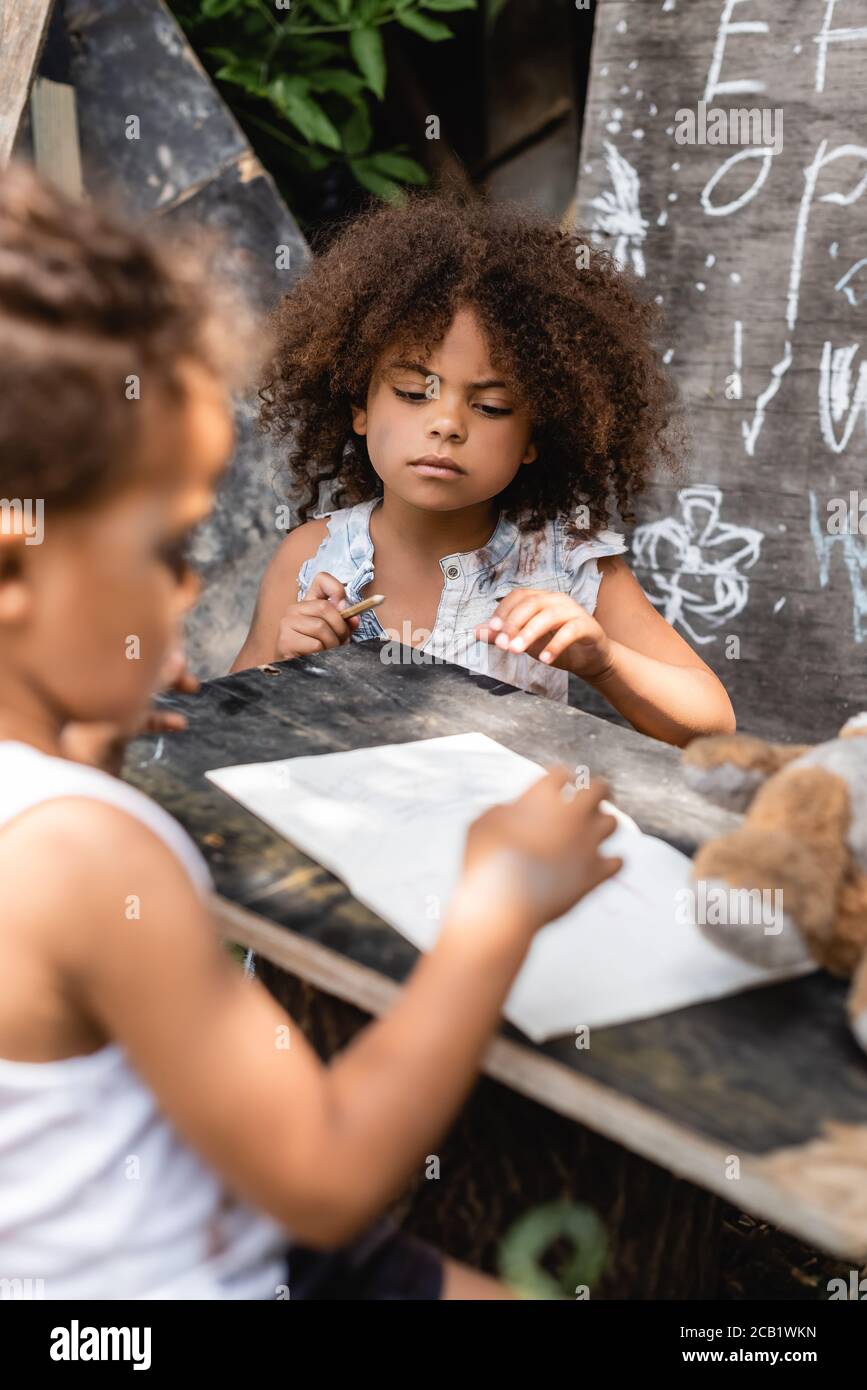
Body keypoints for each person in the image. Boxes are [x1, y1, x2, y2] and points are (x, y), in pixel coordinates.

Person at [0, 165, 622, 1300]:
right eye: (167, 553)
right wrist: (496, 907)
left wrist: (79, 728)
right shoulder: (82, 856)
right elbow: (329, 1172)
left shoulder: (45, 806)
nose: (185, 597)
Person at [232, 191, 735, 748]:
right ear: (359, 408)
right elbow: (230, 718)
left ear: (534, 440)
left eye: (491, 406)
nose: (447, 425)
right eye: (411, 392)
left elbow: (711, 722)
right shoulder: (310, 558)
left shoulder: (568, 567)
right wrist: (287, 662)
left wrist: (605, 662)